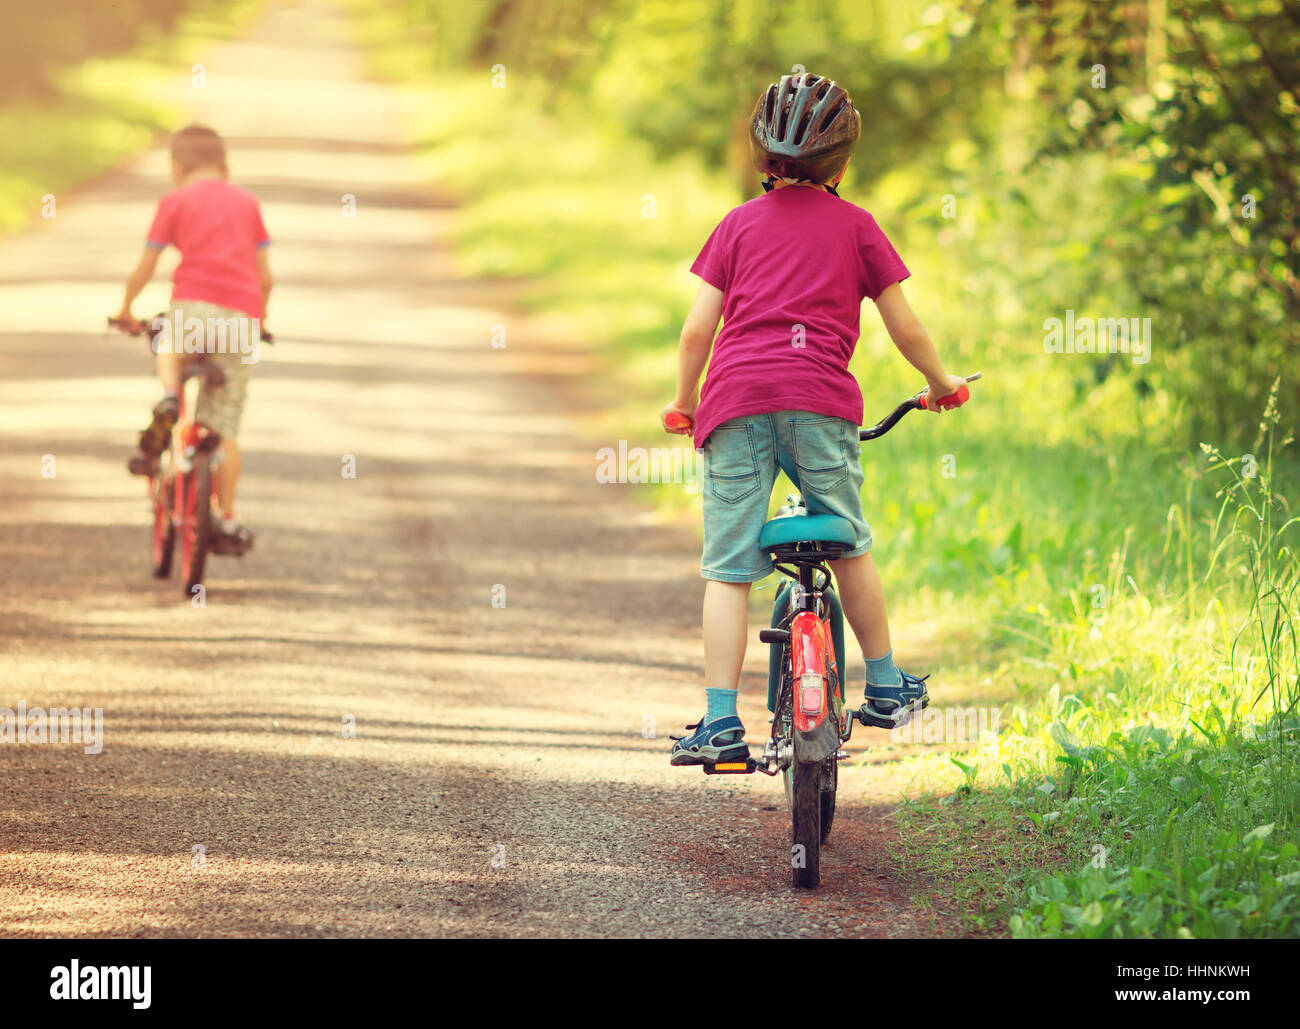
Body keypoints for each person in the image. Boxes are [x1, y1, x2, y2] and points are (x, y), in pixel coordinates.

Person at [662, 73, 972, 766]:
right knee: (850, 541)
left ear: (761, 158)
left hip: (736, 402)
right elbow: (907, 327)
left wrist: (683, 403)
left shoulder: (737, 224)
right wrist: (941, 382)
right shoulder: (858, 227)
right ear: (843, 162)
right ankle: (886, 684)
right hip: (820, 403)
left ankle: (719, 723)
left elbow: (695, 332)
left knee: (729, 569)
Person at [115, 124, 273, 553]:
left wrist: (126, 310)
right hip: (241, 320)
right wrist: (261, 323)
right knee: (224, 427)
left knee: (171, 345)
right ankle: (225, 517)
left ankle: (170, 395)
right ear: (225, 166)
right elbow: (265, 278)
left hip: (193, 312)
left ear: (177, 167)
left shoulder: (174, 201)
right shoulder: (247, 202)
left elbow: (146, 267)